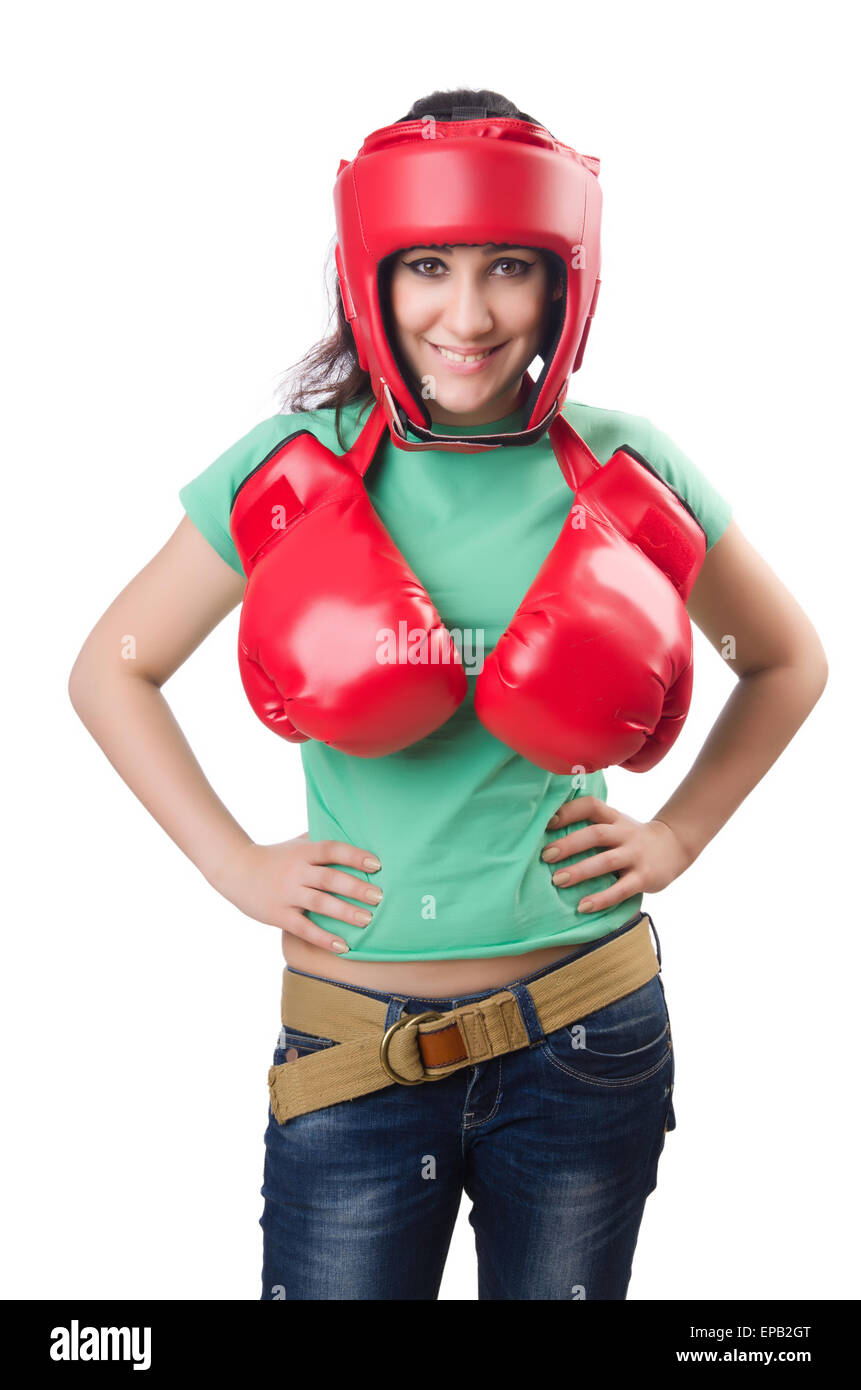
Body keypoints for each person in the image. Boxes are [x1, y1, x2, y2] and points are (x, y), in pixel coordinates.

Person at [68, 87, 828, 1300]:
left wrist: (679, 832)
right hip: (353, 1045)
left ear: (563, 282)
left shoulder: (627, 468)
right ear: (369, 275)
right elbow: (113, 670)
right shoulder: (294, 470)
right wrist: (232, 866)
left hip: (587, 1031)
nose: (466, 315)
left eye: (507, 270)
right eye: (427, 265)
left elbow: (788, 661)